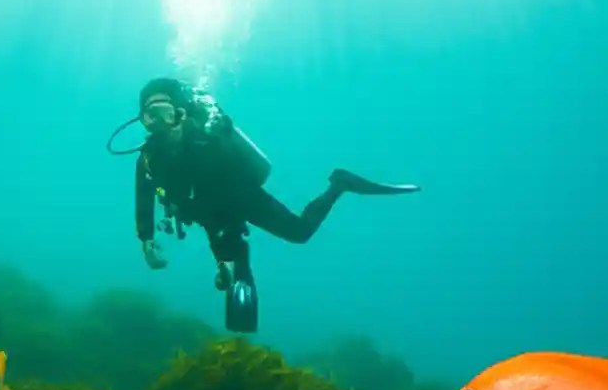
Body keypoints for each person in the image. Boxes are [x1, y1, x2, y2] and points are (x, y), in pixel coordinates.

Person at [107, 76, 420, 332]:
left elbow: (223, 129)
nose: (158, 124)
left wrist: (217, 126)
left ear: (180, 112)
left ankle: (339, 185)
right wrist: (146, 239)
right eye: (149, 117)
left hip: (241, 198)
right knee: (236, 272)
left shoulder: (206, 131)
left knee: (299, 233)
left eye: (163, 112)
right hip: (207, 216)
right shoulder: (149, 158)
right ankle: (236, 305)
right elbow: (143, 196)